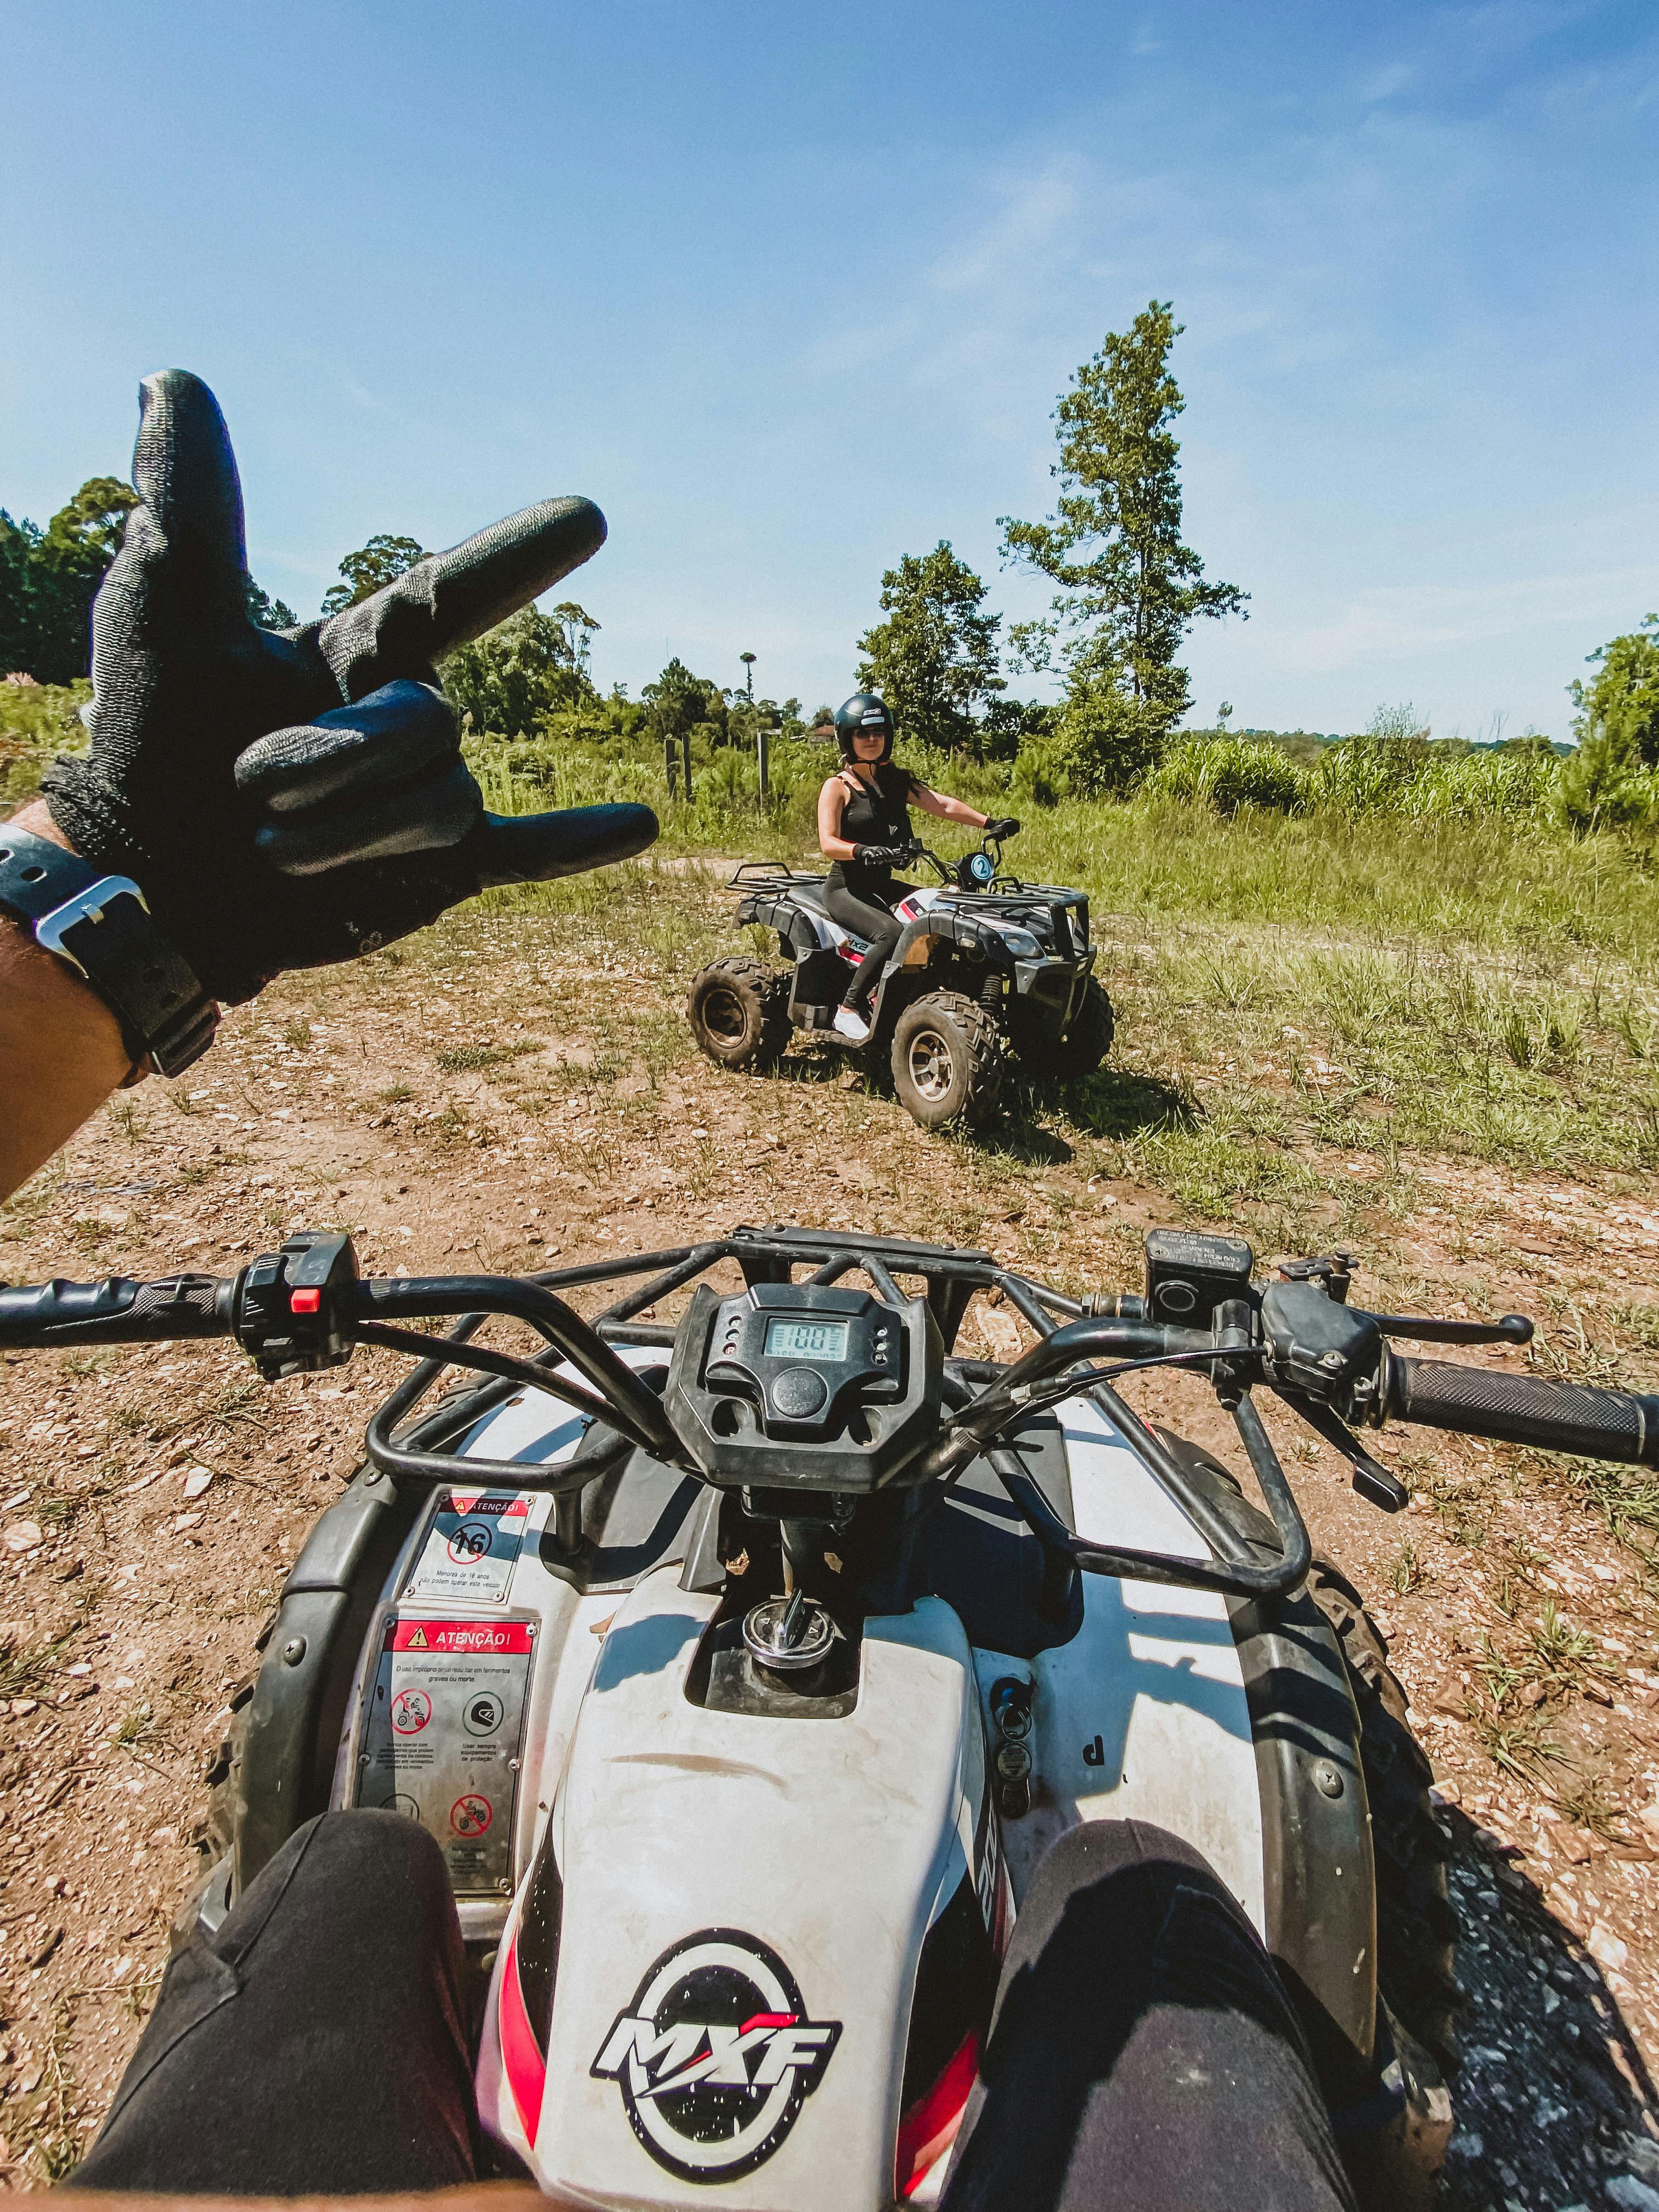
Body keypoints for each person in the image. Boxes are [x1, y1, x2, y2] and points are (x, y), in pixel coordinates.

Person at [7, 374, 1355, 2212]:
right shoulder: (832, 798)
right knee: (1146, 1911)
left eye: (884, 740)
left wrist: (97, 900)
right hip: (853, 927)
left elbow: (936, 795)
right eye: (870, 738)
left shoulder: (903, 774)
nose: (875, 752)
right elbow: (833, 850)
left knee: (337, 1878)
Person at [817, 693, 1018, 1044]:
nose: (871, 740)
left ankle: (912, 993)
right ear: (848, 739)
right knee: (891, 934)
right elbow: (828, 842)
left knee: (944, 908)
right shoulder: (837, 787)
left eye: (878, 732)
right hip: (847, 888)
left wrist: (989, 823)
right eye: (863, 735)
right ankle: (848, 1009)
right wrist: (863, 851)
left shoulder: (895, 781)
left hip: (883, 884)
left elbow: (941, 804)